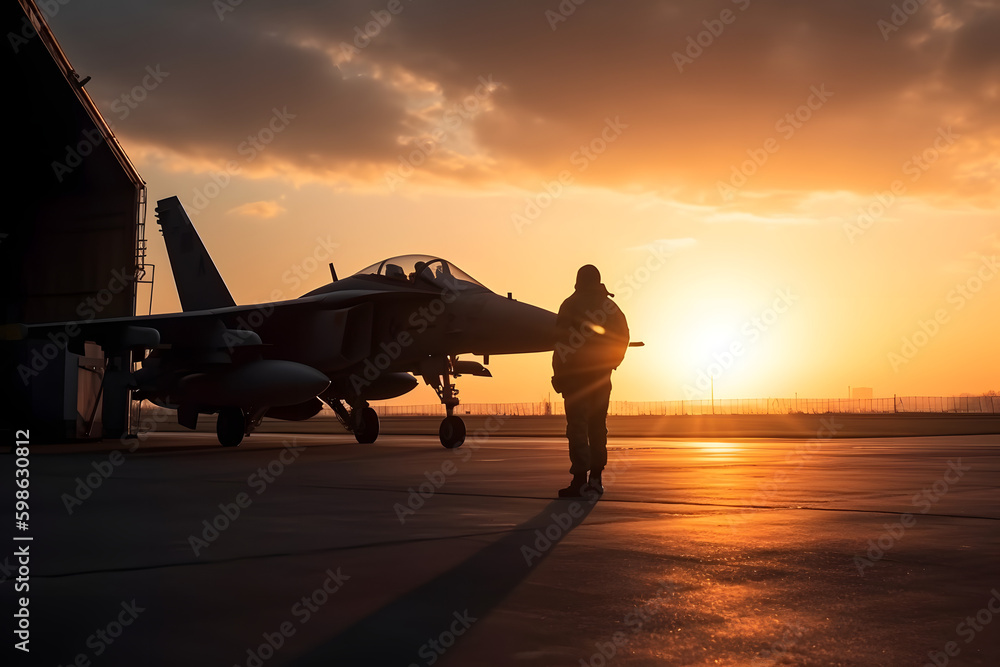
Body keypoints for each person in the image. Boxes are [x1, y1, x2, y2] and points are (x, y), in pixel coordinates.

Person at [551, 264, 629, 498]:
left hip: (576, 380)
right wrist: (610, 365)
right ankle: (596, 480)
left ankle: (579, 481)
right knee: (597, 427)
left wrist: (559, 374)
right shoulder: (611, 307)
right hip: (601, 379)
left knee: (577, 428)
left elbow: (560, 343)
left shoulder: (570, 305)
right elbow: (623, 338)